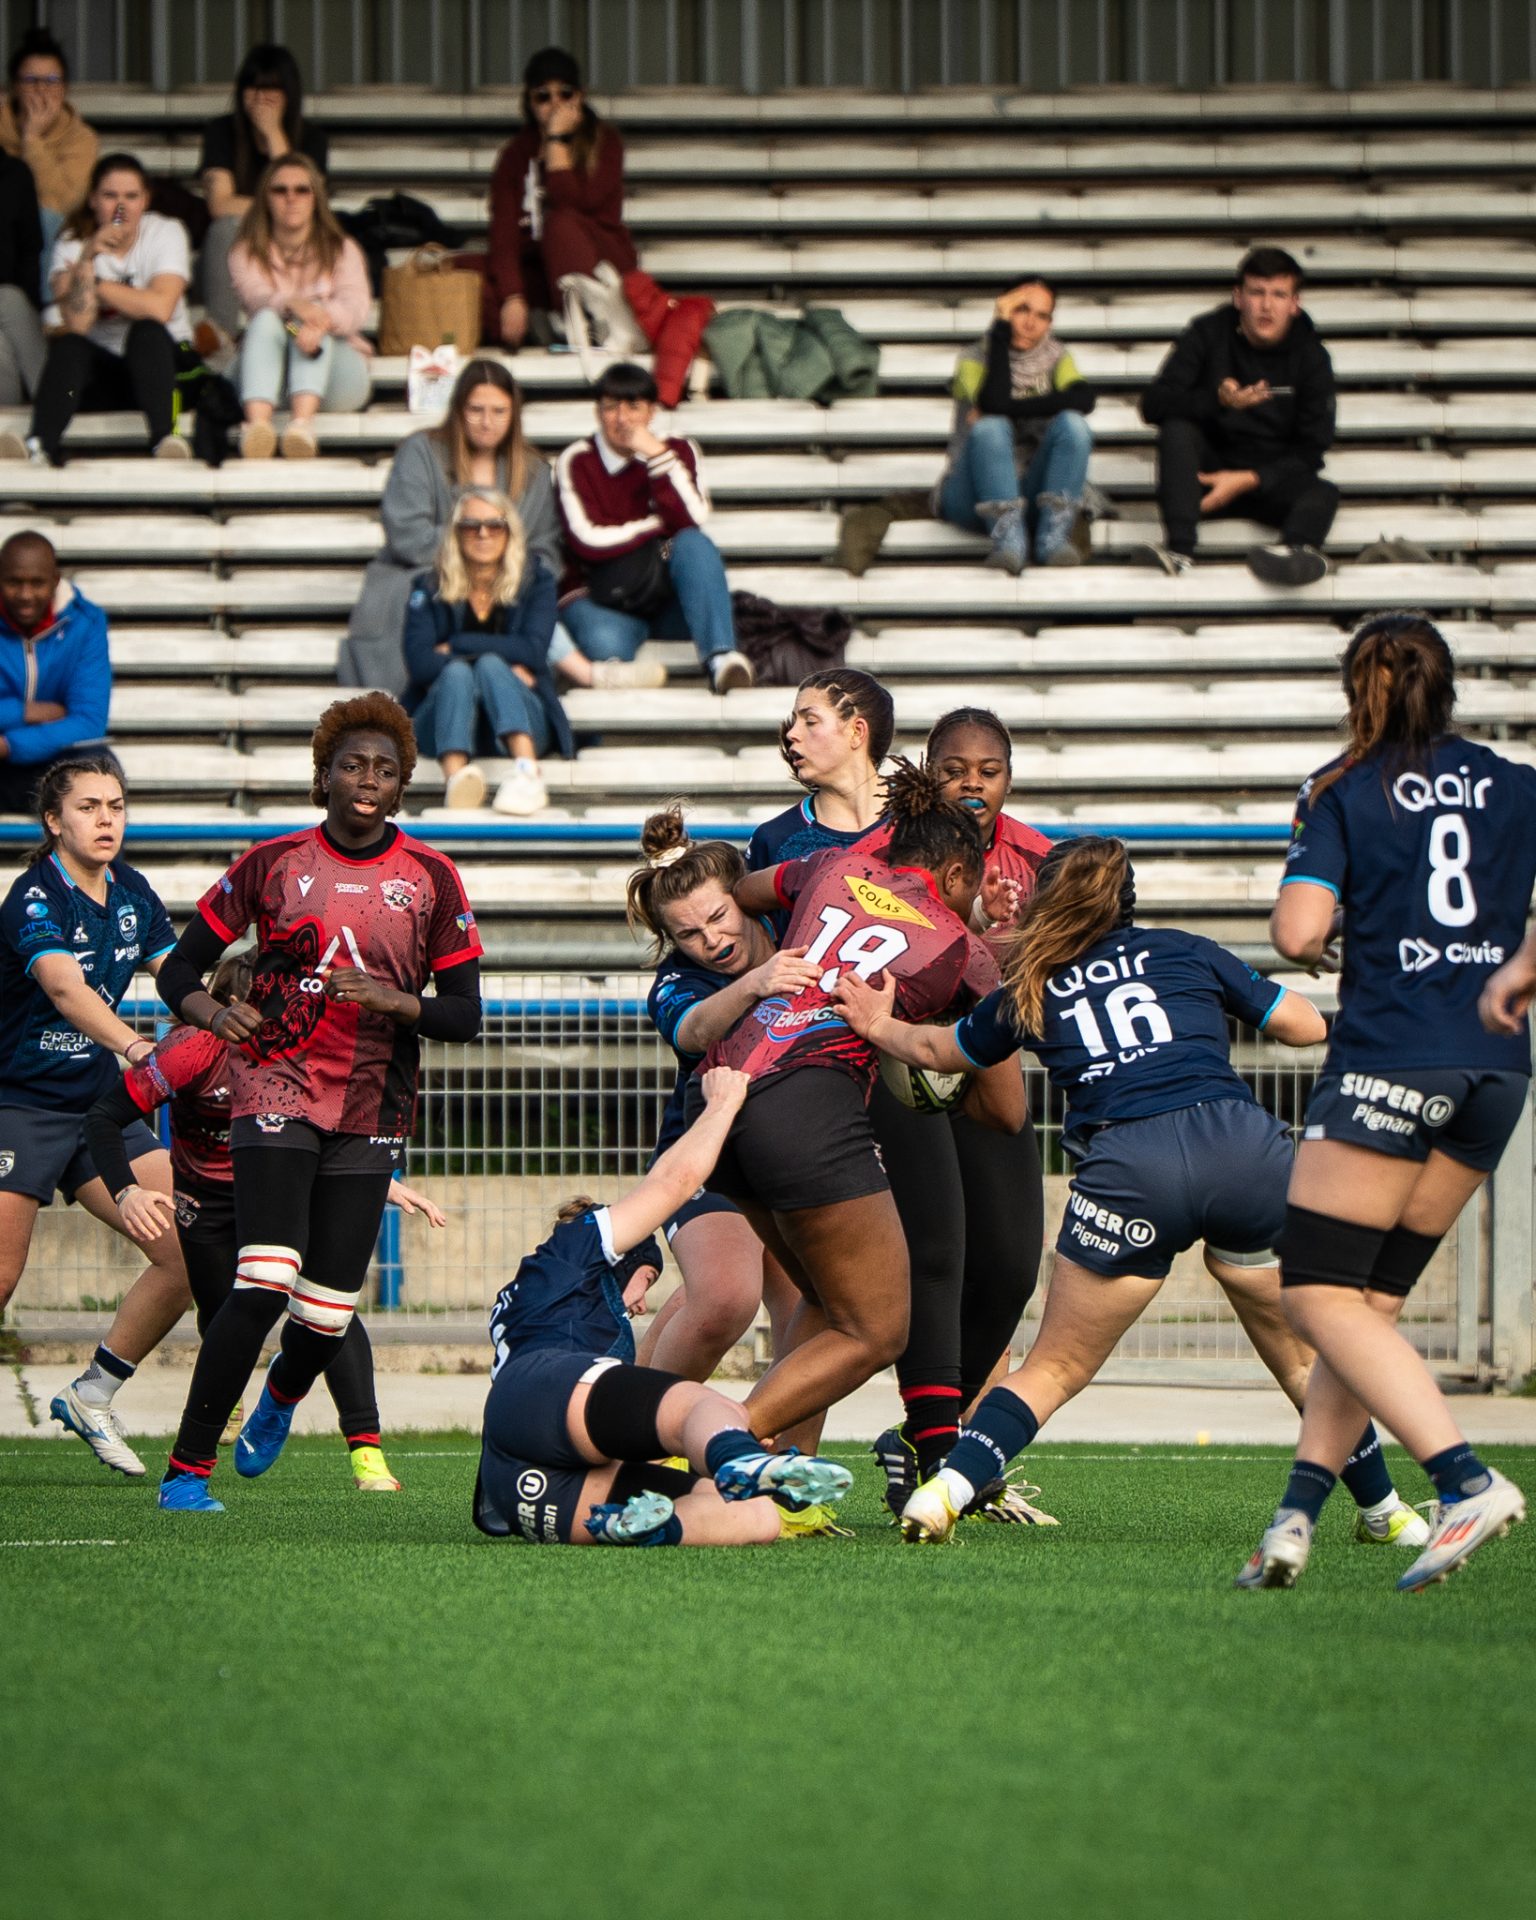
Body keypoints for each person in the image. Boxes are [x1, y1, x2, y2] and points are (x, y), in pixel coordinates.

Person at [833, 835, 1426, 1552]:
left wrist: (873, 1023)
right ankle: (1388, 1512)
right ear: (1129, 899)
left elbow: (934, 1051)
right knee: (1304, 1358)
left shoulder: (1032, 984)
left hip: (1129, 1170)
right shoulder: (1185, 949)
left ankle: (946, 1490)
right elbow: (1303, 1027)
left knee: (1055, 1368)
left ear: (1050, 901)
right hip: (1243, 1155)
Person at [1236, 613, 1536, 1593]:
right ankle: (1293, 1521)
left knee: (1314, 1290)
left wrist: (1328, 917)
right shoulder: (1513, 781)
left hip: (1390, 1058)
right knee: (1364, 1307)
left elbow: (1296, 929)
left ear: (1354, 689)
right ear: (1447, 690)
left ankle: (1463, 1479)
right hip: (1495, 1068)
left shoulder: (1342, 788)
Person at [152, 692, 483, 1512]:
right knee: (265, 1278)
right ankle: (187, 1471)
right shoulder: (270, 862)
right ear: (323, 776)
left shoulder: (431, 878)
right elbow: (174, 973)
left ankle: (281, 1398)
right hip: (274, 1084)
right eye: (352, 765)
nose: (368, 779)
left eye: (386, 768)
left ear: (403, 785)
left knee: (329, 1308)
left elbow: (465, 1016)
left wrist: (392, 998)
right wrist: (212, 1012)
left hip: (373, 1104)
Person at [697, 758, 1024, 1443]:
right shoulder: (965, 952)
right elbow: (1008, 1113)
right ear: (959, 876)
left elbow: (750, 890)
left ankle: (758, 1468)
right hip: (806, 1113)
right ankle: (706, 1442)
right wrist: (925, 1060)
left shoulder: (827, 867)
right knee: (878, 1329)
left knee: (825, 1299)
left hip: (726, 1090)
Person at [83, 950, 446, 1493]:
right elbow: (104, 1116)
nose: (294, 1015)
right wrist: (126, 1188)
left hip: (284, 1189)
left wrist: (376, 1183)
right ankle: (197, 1455)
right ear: (232, 1006)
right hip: (209, 1200)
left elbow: (337, 1140)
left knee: (327, 1304)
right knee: (230, 1315)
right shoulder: (191, 1050)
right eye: (278, 1002)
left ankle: (364, 1447)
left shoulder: (313, 1054)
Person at [476, 1064, 854, 1547]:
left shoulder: (539, 1294)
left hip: (522, 1488)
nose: (641, 1301)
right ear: (621, 1258)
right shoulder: (577, 1244)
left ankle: (644, 1524)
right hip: (538, 1395)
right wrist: (720, 1105)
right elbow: (673, 1181)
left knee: (757, 1519)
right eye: (646, 1280)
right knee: (700, 1404)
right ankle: (738, 1455)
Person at [868, 707, 1056, 1523]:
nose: (973, 781)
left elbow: (1062, 953)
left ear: (1010, 777)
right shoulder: (888, 850)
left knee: (1013, 1263)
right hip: (901, 1059)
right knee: (937, 1255)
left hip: (990, 1057)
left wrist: (1018, 938)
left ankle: (919, 1439)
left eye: (990, 768)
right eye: (955, 767)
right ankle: (938, 1442)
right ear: (928, 772)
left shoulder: (1042, 857)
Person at [0, 754, 190, 1479]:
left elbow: (177, 978)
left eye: (115, 805)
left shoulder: (134, 892)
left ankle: (92, 1393)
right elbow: (64, 989)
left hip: (94, 1110)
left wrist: (227, 1022)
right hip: (16, 1104)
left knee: (188, 1247)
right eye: (88, 806)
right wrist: (143, 1050)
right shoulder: (33, 898)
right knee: (1, 1278)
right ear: (54, 821)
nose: (106, 818)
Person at [340, 356, 648, 697]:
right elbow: (408, 535)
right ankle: (583, 673)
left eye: (499, 412)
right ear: (459, 409)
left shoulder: (533, 471)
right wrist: (477, 560)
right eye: (476, 410)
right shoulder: (421, 451)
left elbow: (546, 549)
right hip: (430, 579)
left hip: (506, 590)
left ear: (513, 414)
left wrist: (503, 571)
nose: (487, 422)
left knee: (524, 605)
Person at [626, 805, 806, 1384]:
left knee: (810, 1313)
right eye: (688, 934)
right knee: (728, 1297)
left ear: (741, 897)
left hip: (799, 1146)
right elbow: (695, 1030)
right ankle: (643, 1437)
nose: (712, 939)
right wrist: (757, 983)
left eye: (719, 917)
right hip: (709, 1159)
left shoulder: (795, 927)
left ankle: (781, 1462)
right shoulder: (678, 982)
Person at [1139, 245, 1338, 587]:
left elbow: (1312, 448)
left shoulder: (1312, 357)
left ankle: (1293, 555)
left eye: (1278, 294)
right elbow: (1153, 405)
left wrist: (1249, 479)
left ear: (1295, 303)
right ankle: (1179, 552)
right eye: (1257, 292)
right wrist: (1217, 401)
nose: (1266, 305)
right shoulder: (1207, 332)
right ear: (1238, 297)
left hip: (1268, 482)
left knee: (1323, 492)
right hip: (1206, 482)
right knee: (1176, 429)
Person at [555, 360, 755, 695]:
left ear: (652, 411)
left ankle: (721, 659)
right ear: (597, 413)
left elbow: (693, 517)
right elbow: (585, 539)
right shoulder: (577, 459)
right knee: (605, 646)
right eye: (610, 407)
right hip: (601, 597)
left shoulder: (676, 450)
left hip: (663, 594)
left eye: (634, 406)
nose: (622, 418)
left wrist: (656, 457)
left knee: (693, 543)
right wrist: (656, 527)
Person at [8, 152, 191, 467]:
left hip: (168, 371)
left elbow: (160, 308)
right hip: (104, 376)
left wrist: (98, 285)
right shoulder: (73, 240)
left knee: (147, 331)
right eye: (110, 196)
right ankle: (40, 443)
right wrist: (88, 258)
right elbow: (78, 324)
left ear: (145, 200)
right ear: (93, 200)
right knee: (70, 345)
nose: (121, 207)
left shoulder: (165, 231)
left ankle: (165, 440)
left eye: (131, 196)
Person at [402, 488, 565, 816]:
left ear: (511, 532)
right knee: (459, 673)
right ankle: (456, 780)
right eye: (470, 525)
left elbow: (534, 651)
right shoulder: (429, 586)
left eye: (495, 525)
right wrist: (503, 661)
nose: (482, 534)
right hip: (446, 720)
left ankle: (526, 773)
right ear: (455, 534)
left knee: (489, 666)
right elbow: (420, 664)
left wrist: (461, 646)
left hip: (521, 718)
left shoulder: (536, 581)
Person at [935, 276, 1095, 573]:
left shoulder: (1056, 358)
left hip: (1030, 491)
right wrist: (999, 333)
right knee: (991, 427)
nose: (1031, 323)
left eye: (1042, 315)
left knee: (1074, 425)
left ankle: (1052, 539)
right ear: (1004, 312)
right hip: (970, 493)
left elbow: (1084, 399)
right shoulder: (973, 359)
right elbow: (995, 401)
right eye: (1022, 310)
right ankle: (1008, 541)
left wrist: (1015, 408)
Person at [485, 45, 637, 353]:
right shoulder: (515, 154)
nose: (555, 104)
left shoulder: (604, 142)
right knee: (470, 272)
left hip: (596, 266)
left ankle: (583, 322)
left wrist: (556, 141)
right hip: (541, 271)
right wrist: (513, 297)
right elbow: (504, 235)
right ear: (529, 102)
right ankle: (545, 324)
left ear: (580, 96)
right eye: (543, 96)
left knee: (560, 223)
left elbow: (572, 203)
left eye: (565, 94)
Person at [227, 152, 370, 458]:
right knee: (268, 319)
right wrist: (293, 304)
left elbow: (356, 308)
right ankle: (257, 428)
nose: (291, 198)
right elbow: (255, 296)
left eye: (301, 190)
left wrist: (319, 316)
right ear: (265, 198)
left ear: (315, 198)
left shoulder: (342, 249)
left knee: (311, 324)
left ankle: (302, 425)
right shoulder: (244, 251)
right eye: (280, 190)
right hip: (268, 376)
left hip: (335, 374)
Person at [199, 43, 328, 342]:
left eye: (271, 91)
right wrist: (279, 208)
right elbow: (220, 204)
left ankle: (297, 334)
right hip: (242, 242)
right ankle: (221, 338)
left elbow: (308, 202)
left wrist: (273, 135)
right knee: (223, 229)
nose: (260, 100)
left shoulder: (312, 138)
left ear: (289, 95)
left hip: (293, 245)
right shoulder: (221, 131)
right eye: (253, 89)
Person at [0, 531, 110, 815]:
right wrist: (23, 712)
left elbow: (88, 721)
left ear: (56, 581)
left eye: (36, 583)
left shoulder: (85, 623)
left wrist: (9, 744)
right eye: (14, 582)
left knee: (97, 780)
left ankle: (99, 863)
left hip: (53, 763)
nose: (25, 595)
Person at [0, 27, 96, 271]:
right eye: (31, 80)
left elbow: (63, 206)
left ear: (64, 88)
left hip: (52, 240)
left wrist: (31, 140)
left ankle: (43, 308)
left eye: (52, 80)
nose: (41, 89)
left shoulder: (82, 139)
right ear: (14, 87)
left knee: (46, 220)